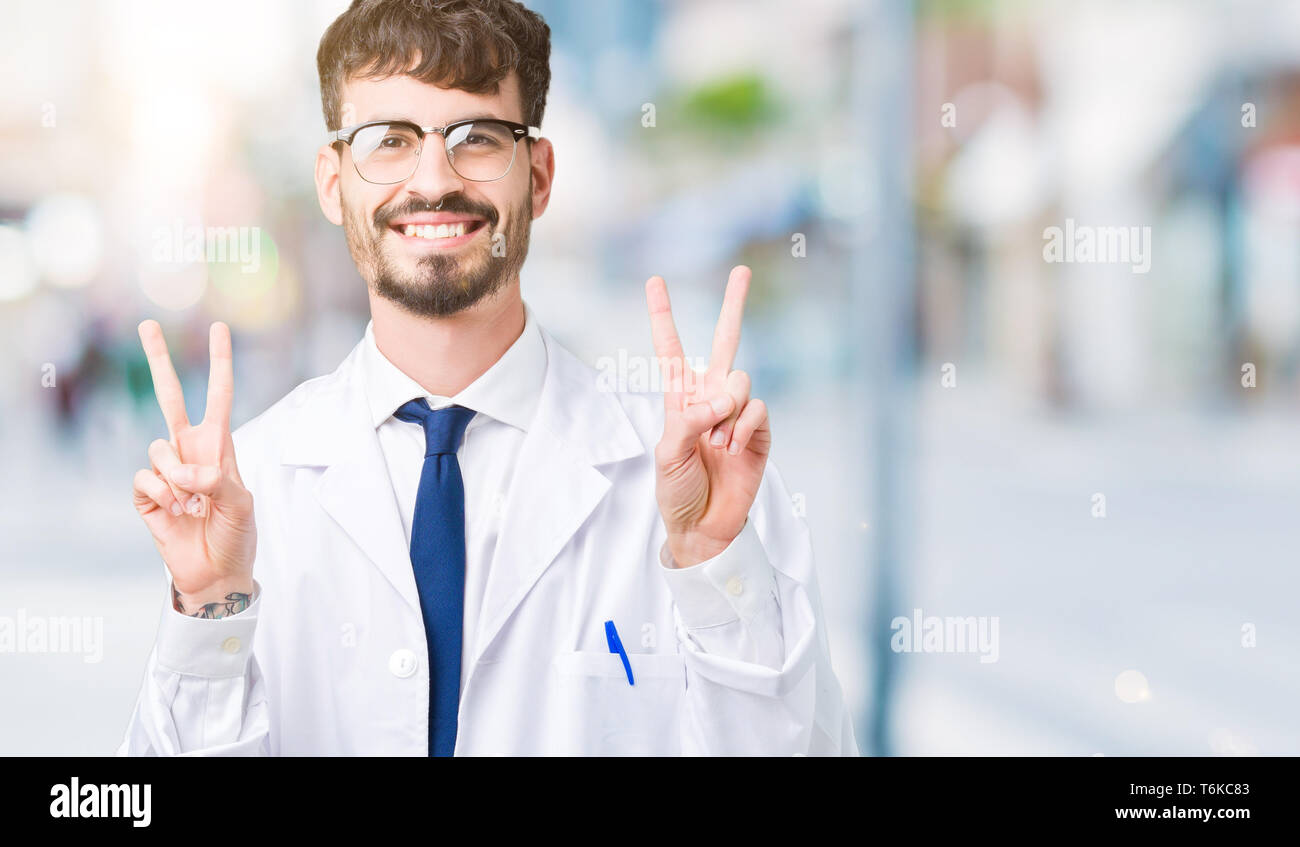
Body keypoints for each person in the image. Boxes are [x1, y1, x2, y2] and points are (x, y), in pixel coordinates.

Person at [118, 0, 858, 756]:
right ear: (333, 183)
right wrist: (210, 611)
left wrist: (712, 567)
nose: (434, 181)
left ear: (538, 176)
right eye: (389, 141)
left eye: (476, 137)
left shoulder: (700, 482)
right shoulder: (249, 488)